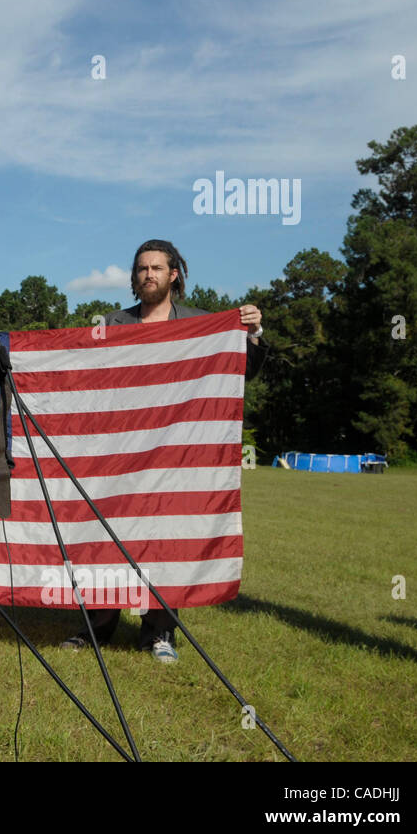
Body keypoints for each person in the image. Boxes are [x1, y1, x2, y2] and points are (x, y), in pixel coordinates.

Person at [60, 239, 264, 663]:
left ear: (174, 275)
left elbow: (243, 371)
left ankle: (158, 633)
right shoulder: (112, 323)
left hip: (174, 456)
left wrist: (253, 332)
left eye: (156, 267)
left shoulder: (202, 324)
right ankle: (96, 628)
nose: (147, 274)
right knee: (108, 540)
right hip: (120, 457)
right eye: (141, 268)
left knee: (167, 542)